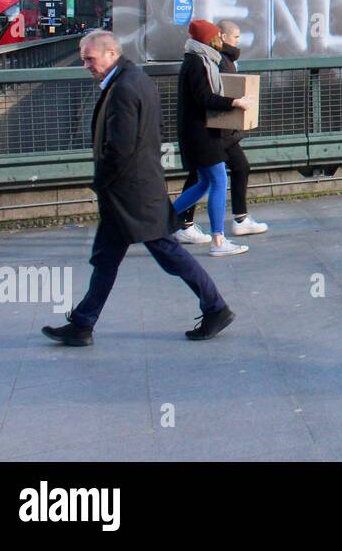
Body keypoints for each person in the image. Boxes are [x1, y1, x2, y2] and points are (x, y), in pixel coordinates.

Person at [41, 31, 236, 346]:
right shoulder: (135, 79)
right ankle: (82, 323)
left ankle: (216, 307)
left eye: (89, 58)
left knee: (168, 254)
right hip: (133, 191)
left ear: (110, 53)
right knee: (106, 259)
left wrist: (101, 181)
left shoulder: (124, 88)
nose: (86, 65)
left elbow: (120, 147)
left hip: (131, 195)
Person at [178, 20, 268, 240]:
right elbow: (205, 98)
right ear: (210, 40)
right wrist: (235, 102)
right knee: (216, 181)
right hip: (205, 133)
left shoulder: (200, 61)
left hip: (205, 132)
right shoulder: (201, 63)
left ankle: (168, 221)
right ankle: (217, 238)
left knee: (206, 181)